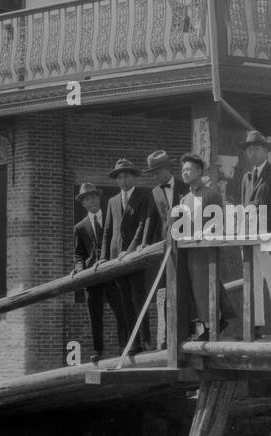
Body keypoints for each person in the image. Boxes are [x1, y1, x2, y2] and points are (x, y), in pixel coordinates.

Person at [239, 129, 271, 338]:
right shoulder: (246, 177)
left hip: (269, 235)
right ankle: (257, 325)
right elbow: (244, 207)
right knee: (253, 282)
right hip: (250, 236)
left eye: (257, 148)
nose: (253, 152)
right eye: (250, 149)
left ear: (266, 151)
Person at [178, 153, 235, 341]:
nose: (185, 173)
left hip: (207, 248)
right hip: (190, 250)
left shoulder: (211, 194)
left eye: (189, 169)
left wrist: (205, 233)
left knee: (205, 286)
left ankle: (212, 326)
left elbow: (219, 220)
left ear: (199, 171)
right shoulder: (184, 199)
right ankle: (210, 323)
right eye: (183, 170)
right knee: (195, 288)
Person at [101, 157, 152, 355]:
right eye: (119, 177)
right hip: (116, 259)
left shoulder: (143, 196)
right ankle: (132, 342)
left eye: (126, 176)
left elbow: (142, 226)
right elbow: (107, 231)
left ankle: (145, 340)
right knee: (124, 302)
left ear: (133, 178)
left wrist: (130, 251)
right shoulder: (112, 201)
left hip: (135, 257)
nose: (123, 180)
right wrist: (104, 257)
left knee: (138, 297)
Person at [71, 182, 124, 364]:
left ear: (99, 198)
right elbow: (78, 253)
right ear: (83, 203)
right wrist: (80, 270)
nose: (91, 201)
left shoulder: (112, 218)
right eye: (87, 199)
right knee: (95, 314)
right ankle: (98, 350)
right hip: (92, 277)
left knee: (120, 309)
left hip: (112, 272)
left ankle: (124, 346)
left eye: (93, 197)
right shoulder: (80, 227)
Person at [142, 149, 188, 351]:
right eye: (152, 173)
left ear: (167, 169)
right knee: (165, 290)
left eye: (157, 172)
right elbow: (150, 219)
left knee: (185, 286)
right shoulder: (154, 192)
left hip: (185, 243)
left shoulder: (185, 186)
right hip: (166, 245)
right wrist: (144, 243)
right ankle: (165, 337)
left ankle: (189, 332)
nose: (155, 176)